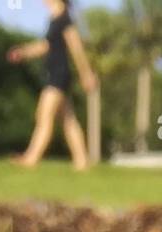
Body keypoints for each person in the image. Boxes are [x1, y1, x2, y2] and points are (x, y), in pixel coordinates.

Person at [8, 1, 97, 172]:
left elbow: (76, 47)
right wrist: (23, 52)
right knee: (68, 120)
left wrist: (86, 74)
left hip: (59, 75)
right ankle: (82, 161)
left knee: (44, 115)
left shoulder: (64, 19)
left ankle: (31, 159)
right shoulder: (55, 20)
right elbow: (46, 46)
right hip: (56, 75)